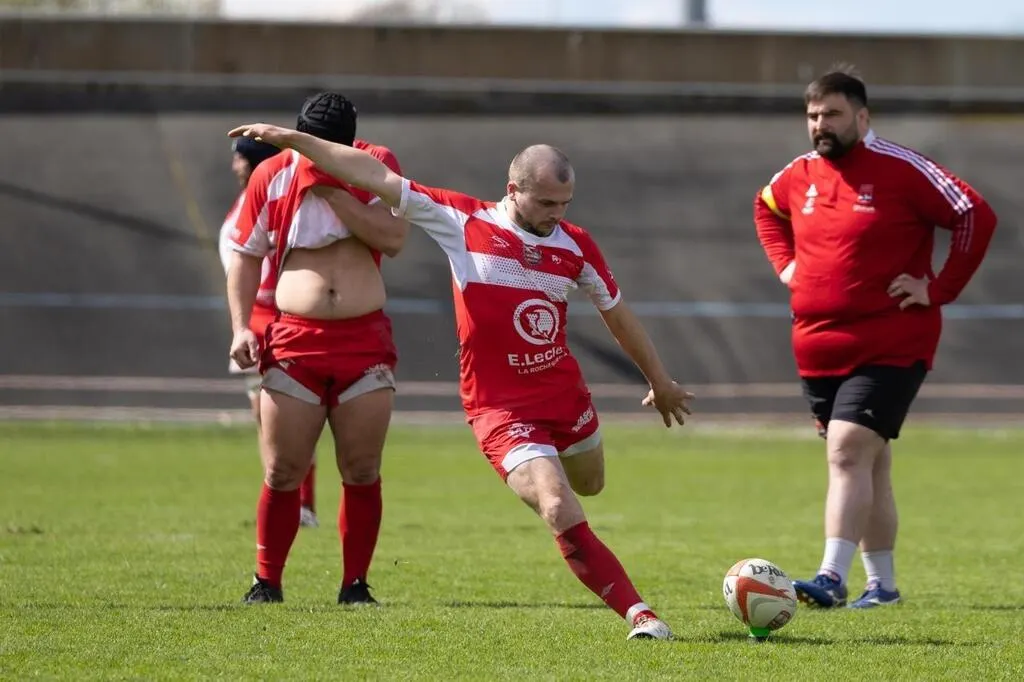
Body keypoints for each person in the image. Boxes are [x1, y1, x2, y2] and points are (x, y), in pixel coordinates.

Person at [226, 121, 695, 641]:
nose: (557, 216)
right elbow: (373, 175)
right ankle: (642, 616)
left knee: (590, 484)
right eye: (546, 204)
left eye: (565, 204)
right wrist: (292, 141)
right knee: (558, 504)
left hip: (565, 397)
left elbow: (618, 315)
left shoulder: (576, 245)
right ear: (513, 189)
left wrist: (661, 380)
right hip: (501, 409)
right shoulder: (462, 220)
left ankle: (574, 500)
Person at [752, 67, 997, 609]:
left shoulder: (900, 167)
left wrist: (938, 287)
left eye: (833, 114)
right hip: (816, 345)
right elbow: (766, 208)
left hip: (891, 342)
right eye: (814, 115)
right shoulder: (799, 174)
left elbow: (974, 214)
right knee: (868, 461)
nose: (821, 124)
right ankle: (882, 586)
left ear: (862, 118)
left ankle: (831, 578)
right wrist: (787, 267)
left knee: (846, 451)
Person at [226, 92, 410, 605]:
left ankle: (355, 585)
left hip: (363, 340)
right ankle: (267, 581)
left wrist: (334, 193)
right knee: (283, 468)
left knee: (362, 468)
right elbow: (244, 254)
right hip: (295, 340)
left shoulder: (376, 166)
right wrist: (242, 327)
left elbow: (393, 239)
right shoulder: (273, 175)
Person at [218, 135, 320, 529]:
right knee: (264, 418)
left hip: (277, 314)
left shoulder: (273, 198)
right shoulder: (250, 200)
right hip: (253, 317)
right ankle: (284, 501)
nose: (235, 166)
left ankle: (301, 504)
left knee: (287, 419)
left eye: (241, 159)